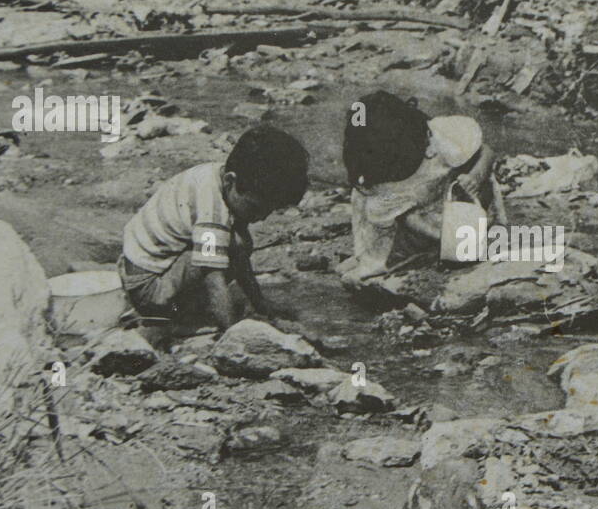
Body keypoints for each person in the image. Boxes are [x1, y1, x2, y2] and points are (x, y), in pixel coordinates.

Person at [118, 124, 308, 342]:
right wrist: (235, 335)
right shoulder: (212, 209)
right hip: (149, 288)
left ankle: (186, 307)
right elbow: (213, 276)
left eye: (269, 210)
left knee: (237, 243)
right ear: (230, 181)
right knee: (225, 250)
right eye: (255, 208)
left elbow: (239, 256)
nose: (262, 217)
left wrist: (260, 304)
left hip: (146, 269)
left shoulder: (218, 179)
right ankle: (171, 317)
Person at [337, 91, 505, 285]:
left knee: (456, 238)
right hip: (412, 215)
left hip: (451, 202)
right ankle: (374, 257)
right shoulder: (378, 181)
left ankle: (438, 250)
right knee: (365, 205)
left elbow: (486, 150)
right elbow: (392, 220)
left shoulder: (441, 137)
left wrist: (476, 175)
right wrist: (442, 239)